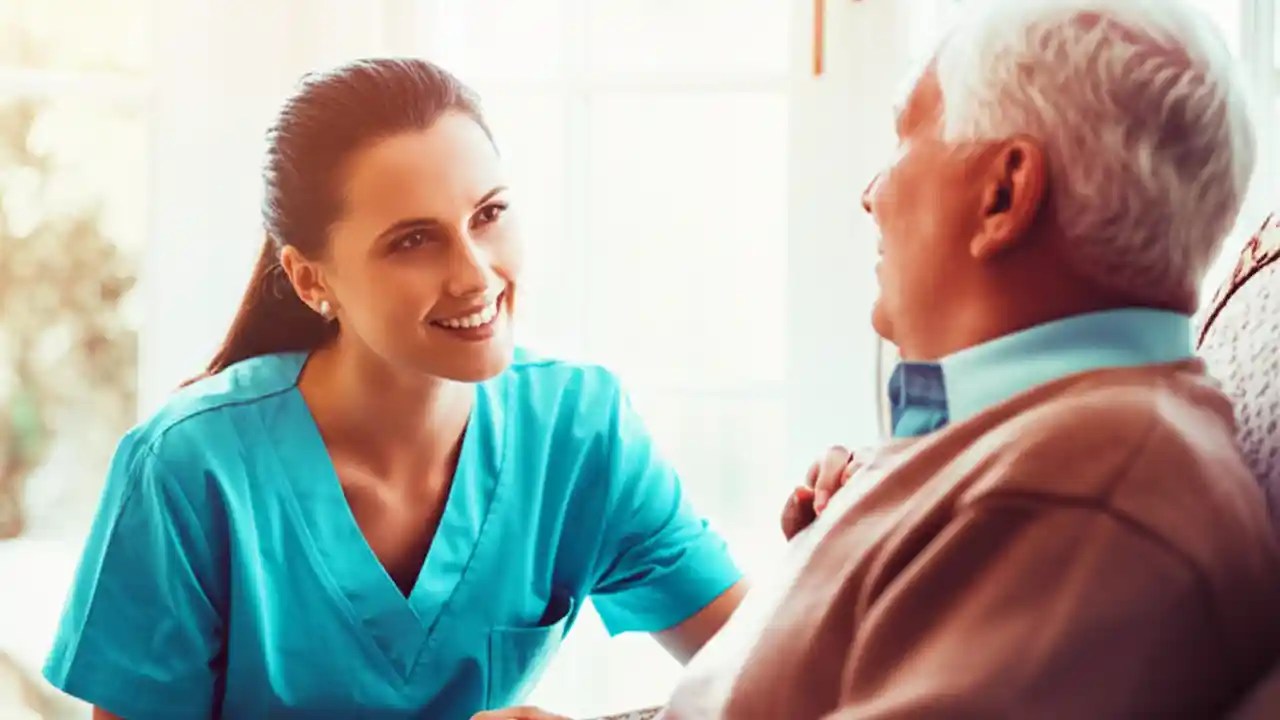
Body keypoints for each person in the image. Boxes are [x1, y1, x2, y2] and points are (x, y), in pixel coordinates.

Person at [42, 58, 748, 719]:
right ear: (311, 279)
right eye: (414, 240)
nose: (475, 275)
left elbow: (786, 669)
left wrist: (842, 528)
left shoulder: (581, 429)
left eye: (489, 215)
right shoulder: (187, 467)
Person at [657, 0, 1280, 717]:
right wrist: (842, 560)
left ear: (1004, 193)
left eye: (903, 142)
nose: (871, 195)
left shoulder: (1082, 491)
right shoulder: (1035, 442)